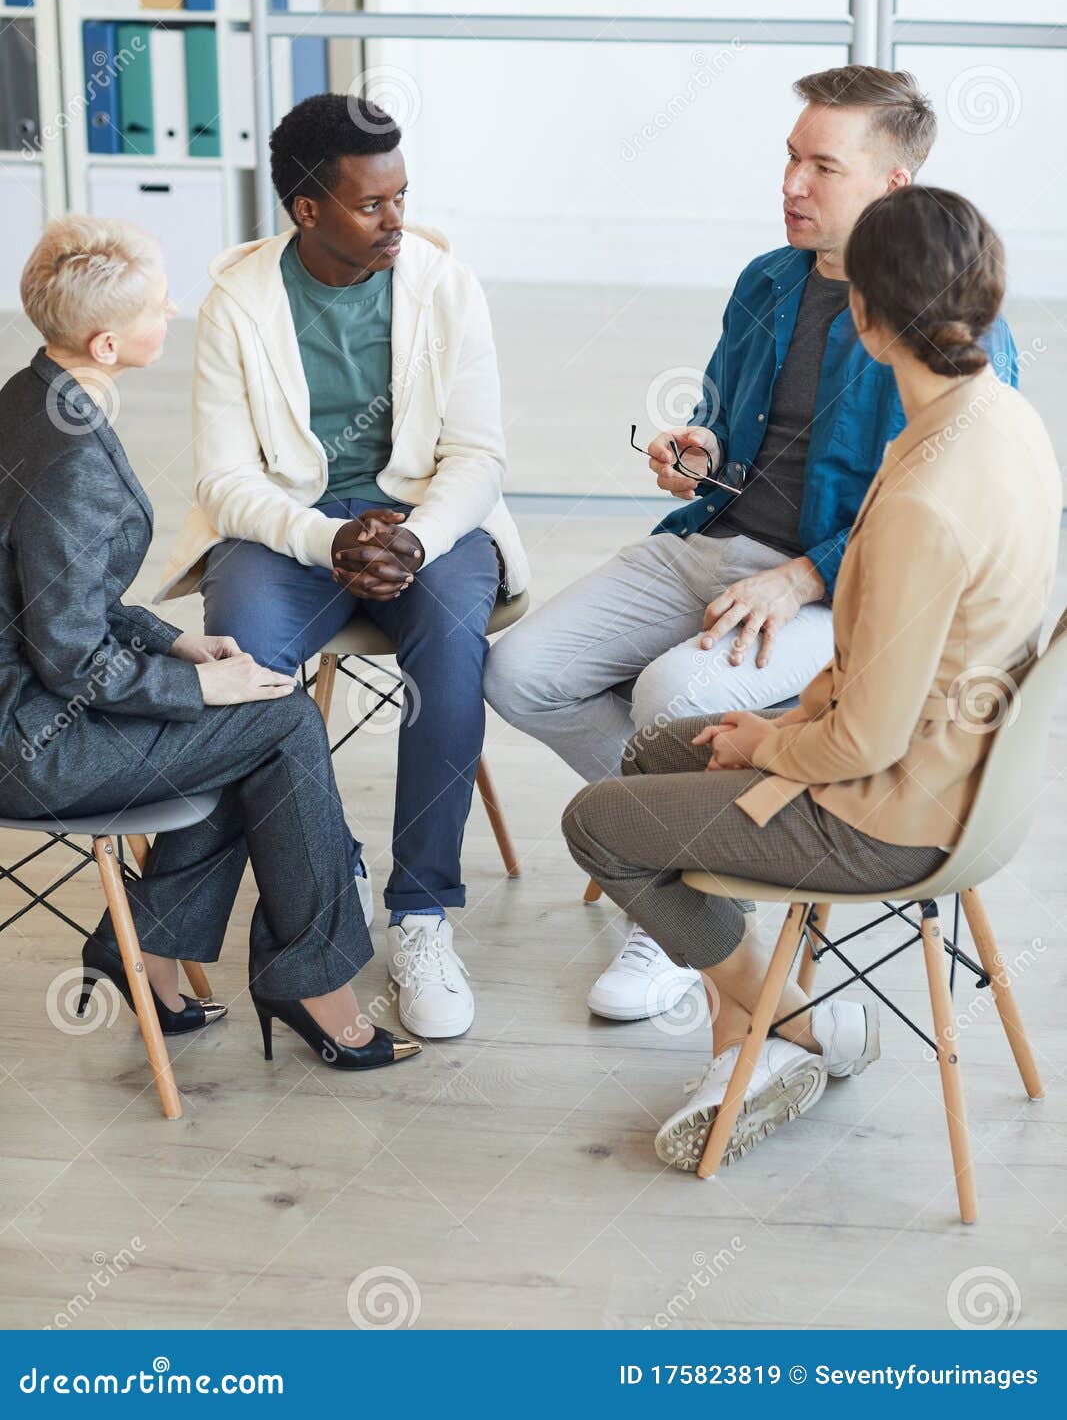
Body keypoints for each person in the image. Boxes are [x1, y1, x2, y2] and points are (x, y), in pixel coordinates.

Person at [485, 66, 1018, 1023]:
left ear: (893, 190)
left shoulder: (948, 331)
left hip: (828, 587)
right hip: (714, 537)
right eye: (789, 158)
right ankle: (686, 868)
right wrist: (701, 450)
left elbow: (936, 500)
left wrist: (803, 576)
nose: (792, 184)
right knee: (520, 670)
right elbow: (726, 418)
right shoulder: (766, 282)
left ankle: (673, 912)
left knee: (672, 693)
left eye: (822, 166)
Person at [562, 186, 1061, 1171]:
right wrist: (786, 721)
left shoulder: (923, 495)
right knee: (657, 746)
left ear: (866, 321)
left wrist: (767, 739)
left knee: (597, 823)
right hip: (969, 777)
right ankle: (778, 1024)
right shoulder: (1002, 418)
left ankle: (785, 1020)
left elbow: (864, 742)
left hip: (891, 810)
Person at [0, 216, 420, 1075]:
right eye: (160, 304)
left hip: (28, 700)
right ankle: (312, 987)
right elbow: (72, 660)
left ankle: (148, 953)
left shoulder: (26, 396)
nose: (175, 309)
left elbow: (57, 602)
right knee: (279, 719)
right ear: (109, 341)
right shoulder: (72, 457)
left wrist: (177, 647)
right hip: (29, 740)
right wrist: (201, 692)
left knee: (255, 723)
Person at [156, 93, 529, 1042]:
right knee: (246, 675)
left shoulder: (444, 284)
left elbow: (479, 455)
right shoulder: (238, 303)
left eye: (402, 195)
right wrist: (328, 542)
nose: (396, 219)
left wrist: (417, 537)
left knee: (450, 657)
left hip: (425, 525)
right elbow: (227, 478)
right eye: (372, 205)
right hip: (287, 532)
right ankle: (320, 878)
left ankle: (420, 915)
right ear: (307, 209)